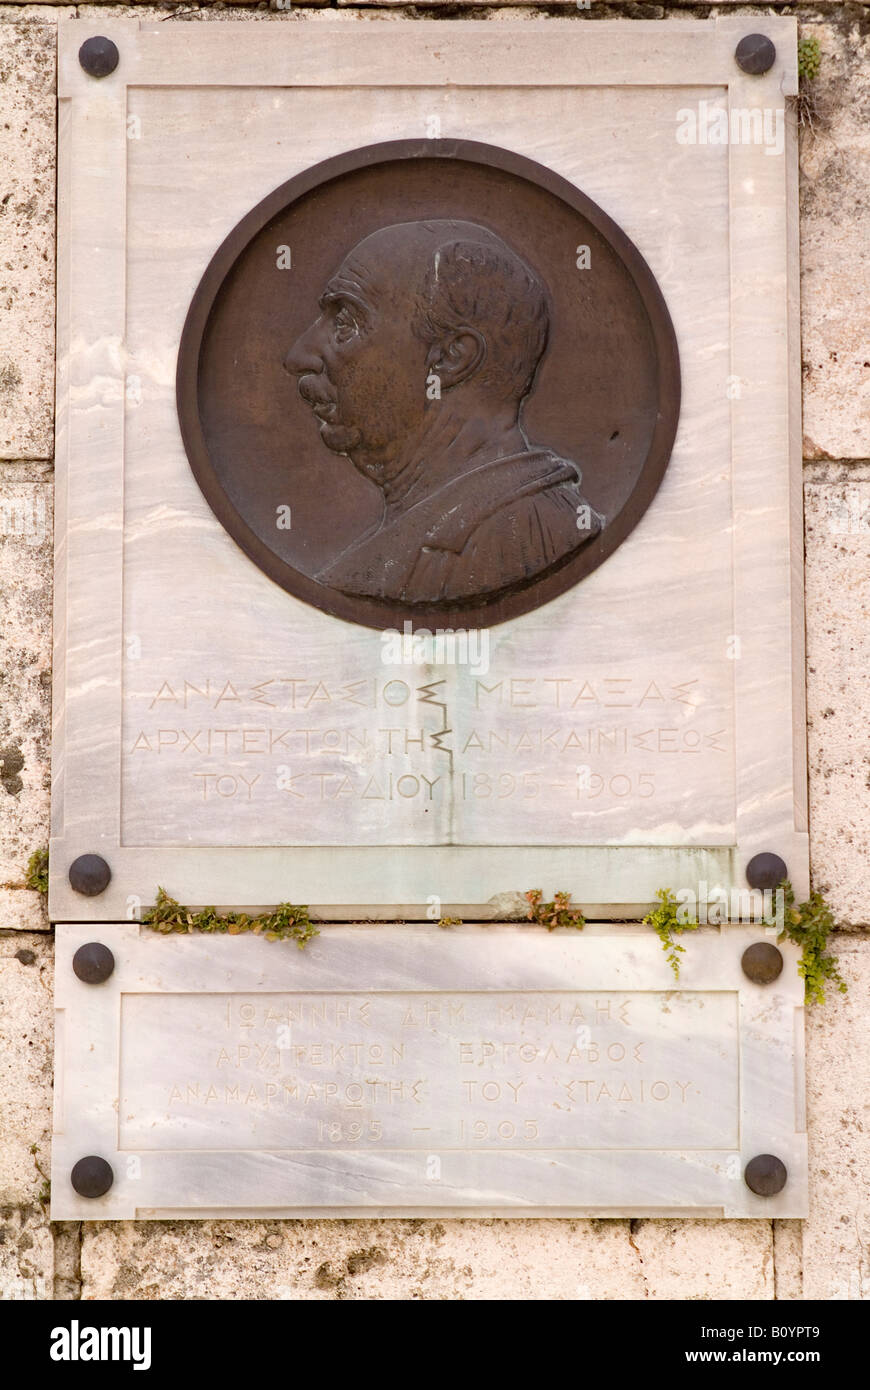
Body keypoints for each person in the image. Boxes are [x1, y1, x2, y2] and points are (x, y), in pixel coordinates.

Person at [284, 219, 602, 606]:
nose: (299, 355)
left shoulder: (528, 537)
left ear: (451, 358)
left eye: (346, 322)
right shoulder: (455, 535)